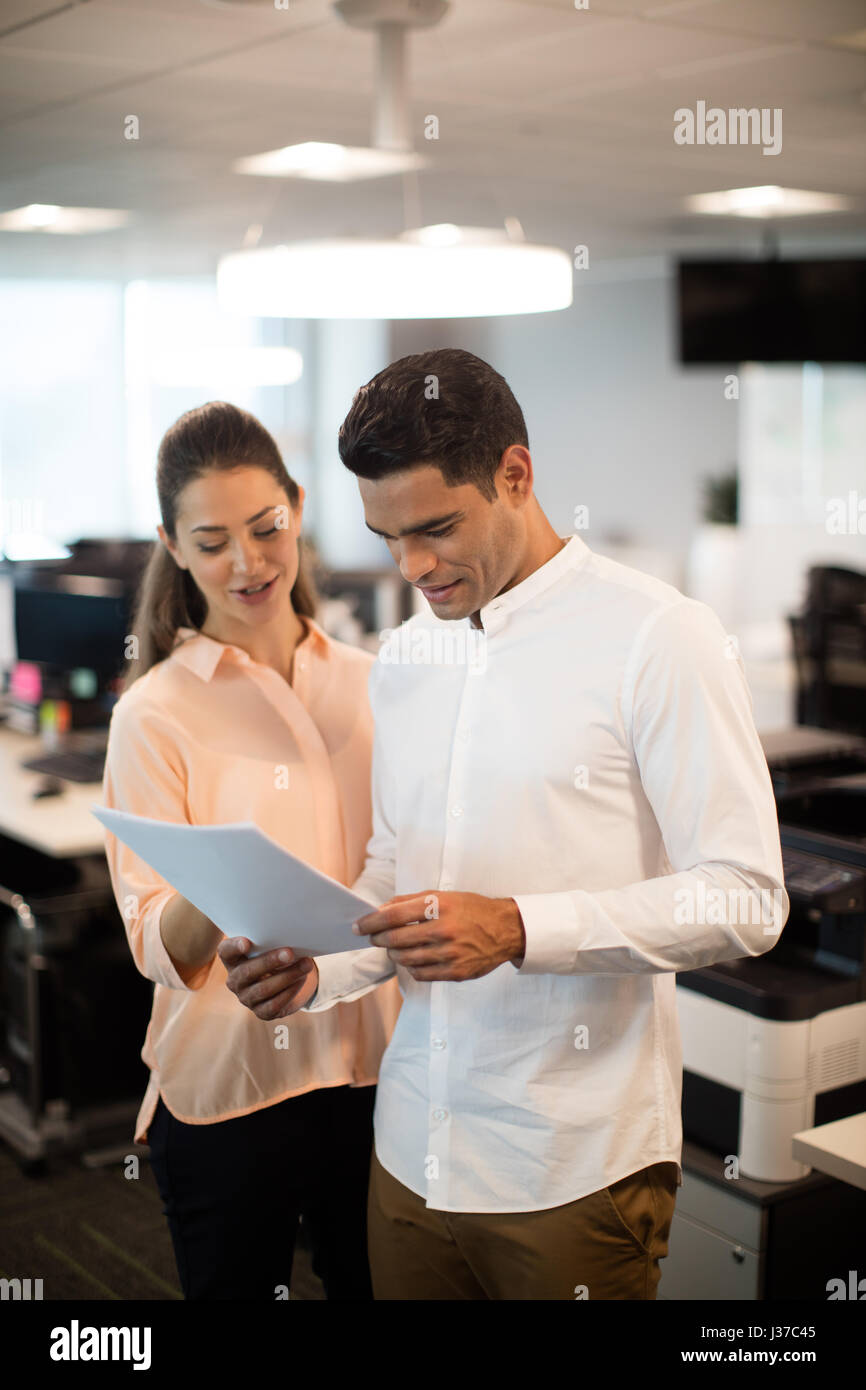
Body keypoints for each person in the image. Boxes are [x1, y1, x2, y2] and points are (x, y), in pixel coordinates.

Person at [220, 349, 789, 1301]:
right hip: (410, 1152)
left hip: (572, 1169)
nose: (413, 566)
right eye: (387, 536)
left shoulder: (659, 637)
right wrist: (317, 967)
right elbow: (394, 875)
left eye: (436, 528)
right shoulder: (403, 657)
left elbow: (747, 896)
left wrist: (522, 927)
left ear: (516, 477)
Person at [101, 400, 401, 1301]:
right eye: (212, 540)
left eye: (266, 528)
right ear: (173, 545)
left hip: (377, 1074)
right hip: (231, 1089)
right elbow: (152, 939)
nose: (247, 563)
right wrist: (223, 876)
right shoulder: (153, 712)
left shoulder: (374, 683)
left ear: (299, 508)